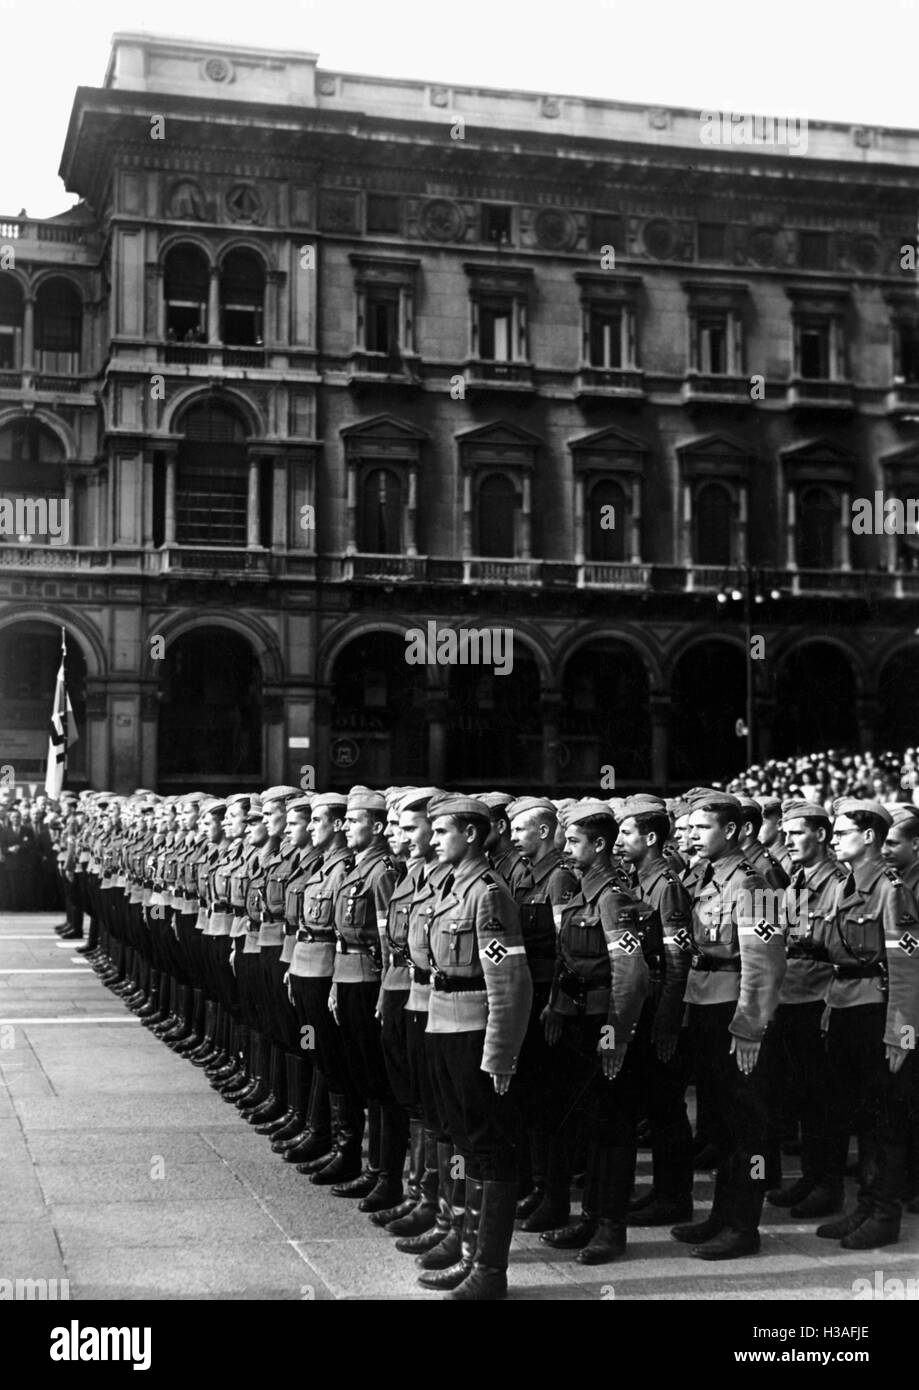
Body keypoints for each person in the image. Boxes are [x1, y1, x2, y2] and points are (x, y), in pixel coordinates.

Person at [419, 794, 532, 1300]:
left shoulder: (488, 894)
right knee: (462, 1139)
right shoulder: (449, 887)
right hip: (443, 1023)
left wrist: (501, 1052)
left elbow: (510, 981)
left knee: (491, 1149)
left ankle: (490, 1270)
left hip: (474, 1030)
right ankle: (465, 1247)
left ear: (470, 834)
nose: (433, 839)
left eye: (441, 831)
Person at [674, 790, 785, 1260]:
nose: (695, 835)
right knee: (719, 1121)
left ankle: (744, 1225)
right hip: (704, 1002)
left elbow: (764, 964)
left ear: (735, 831)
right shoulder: (709, 878)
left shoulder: (752, 883)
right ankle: (722, 1215)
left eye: (704, 828)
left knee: (747, 1126)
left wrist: (749, 1027)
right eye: (692, 828)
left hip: (734, 1012)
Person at [539, 800, 650, 1264]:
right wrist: (554, 1007)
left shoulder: (612, 898)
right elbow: (567, 960)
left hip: (604, 1025)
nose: (566, 848)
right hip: (578, 1018)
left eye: (574, 840)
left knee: (614, 1127)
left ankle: (611, 1226)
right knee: (590, 1123)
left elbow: (632, 974)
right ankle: (590, 1216)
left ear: (600, 845)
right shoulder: (583, 892)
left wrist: (617, 1037)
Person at [815, 798, 919, 1249]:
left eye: (841, 833)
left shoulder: (892, 890)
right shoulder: (845, 885)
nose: (834, 839)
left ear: (870, 836)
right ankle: (866, 1203)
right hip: (845, 1004)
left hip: (877, 1009)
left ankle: (884, 1214)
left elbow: (908, 966)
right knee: (860, 1112)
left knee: (886, 1116)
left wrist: (901, 1032)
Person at [764, 798, 847, 1217]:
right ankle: (811, 1178)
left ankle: (828, 1185)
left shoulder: (838, 883)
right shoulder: (797, 879)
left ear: (822, 835)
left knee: (823, 1099)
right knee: (800, 1093)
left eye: (797, 833)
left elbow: (839, 948)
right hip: (791, 995)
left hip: (819, 996)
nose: (788, 840)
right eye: (786, 833)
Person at [616, 794, 694, 1225]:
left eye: (627, 832)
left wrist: (668, 1021)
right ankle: (662, 1190)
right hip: (646, 1000)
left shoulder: (668, 886)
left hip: (662, 1001)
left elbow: (678, 959)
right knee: (653, 1100)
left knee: (667, 1105)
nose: (620, 839)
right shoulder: (637, 879)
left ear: (650, 838)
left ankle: (675, 1196)